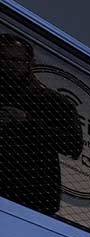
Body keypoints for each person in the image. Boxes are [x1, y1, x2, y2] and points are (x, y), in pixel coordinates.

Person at [0, 34, 81, 217]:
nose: (7, 63)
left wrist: (26, 121)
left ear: (30, 63)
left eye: (14, 59)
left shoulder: (54, 101)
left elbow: (73, 145)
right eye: (2, 58)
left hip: (33, 198)